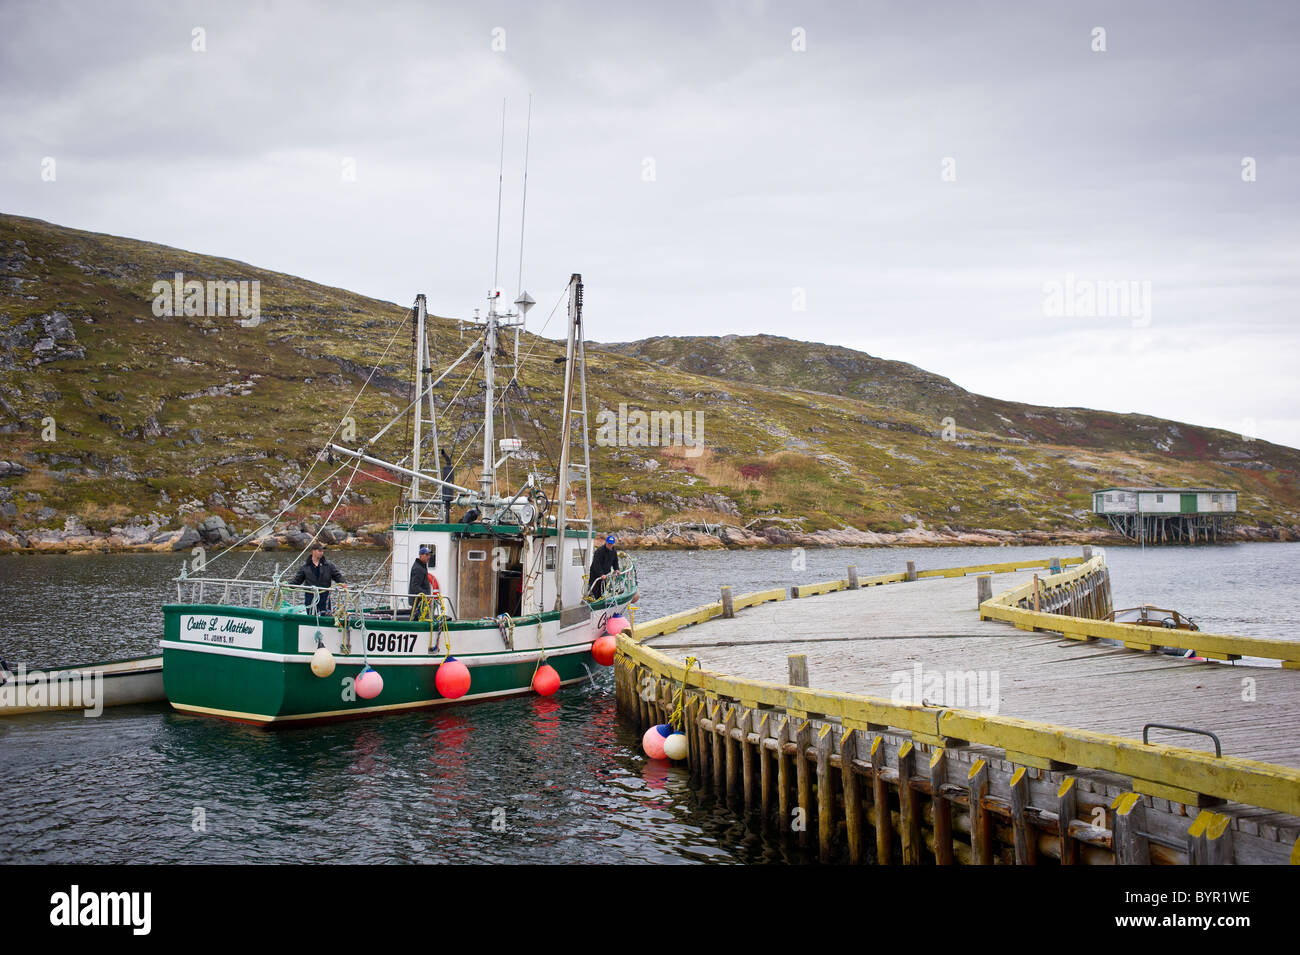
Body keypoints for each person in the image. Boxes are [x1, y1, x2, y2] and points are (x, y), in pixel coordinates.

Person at [291, 542, 344, 615]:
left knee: (326, 615)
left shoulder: (328, 565)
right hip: (310, 595)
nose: (321, 553)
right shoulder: (305, 567)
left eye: (322, 551)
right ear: (313, 551)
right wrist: (288, 585)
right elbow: (297, 580)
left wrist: (343, 583)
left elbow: (337, 576)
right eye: (319, 551)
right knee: (311, 614)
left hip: (324, 594)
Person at [408, 545, 440, 620]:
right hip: (418, 601)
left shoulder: (422, 566)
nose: (428, 557)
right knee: (416, 618)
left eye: (429, 555)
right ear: (421, 555)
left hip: (421, 601)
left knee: (420, 617)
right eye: (426, 555)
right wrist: (426, 594)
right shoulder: (418, 568)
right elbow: (414, 586)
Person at [588, 535, 619, 599]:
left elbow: (615, 561)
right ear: (606, 542)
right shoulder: (599, 551)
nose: (610, 545)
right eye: (608, 543)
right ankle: (594, 600)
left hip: (606, 573)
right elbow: (596, 564)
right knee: (595, 590)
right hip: (595, 573)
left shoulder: (614, 551)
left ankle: (602, 599)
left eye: (611, 544)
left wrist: (617, 569)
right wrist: (601, 574)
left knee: (604, 589)